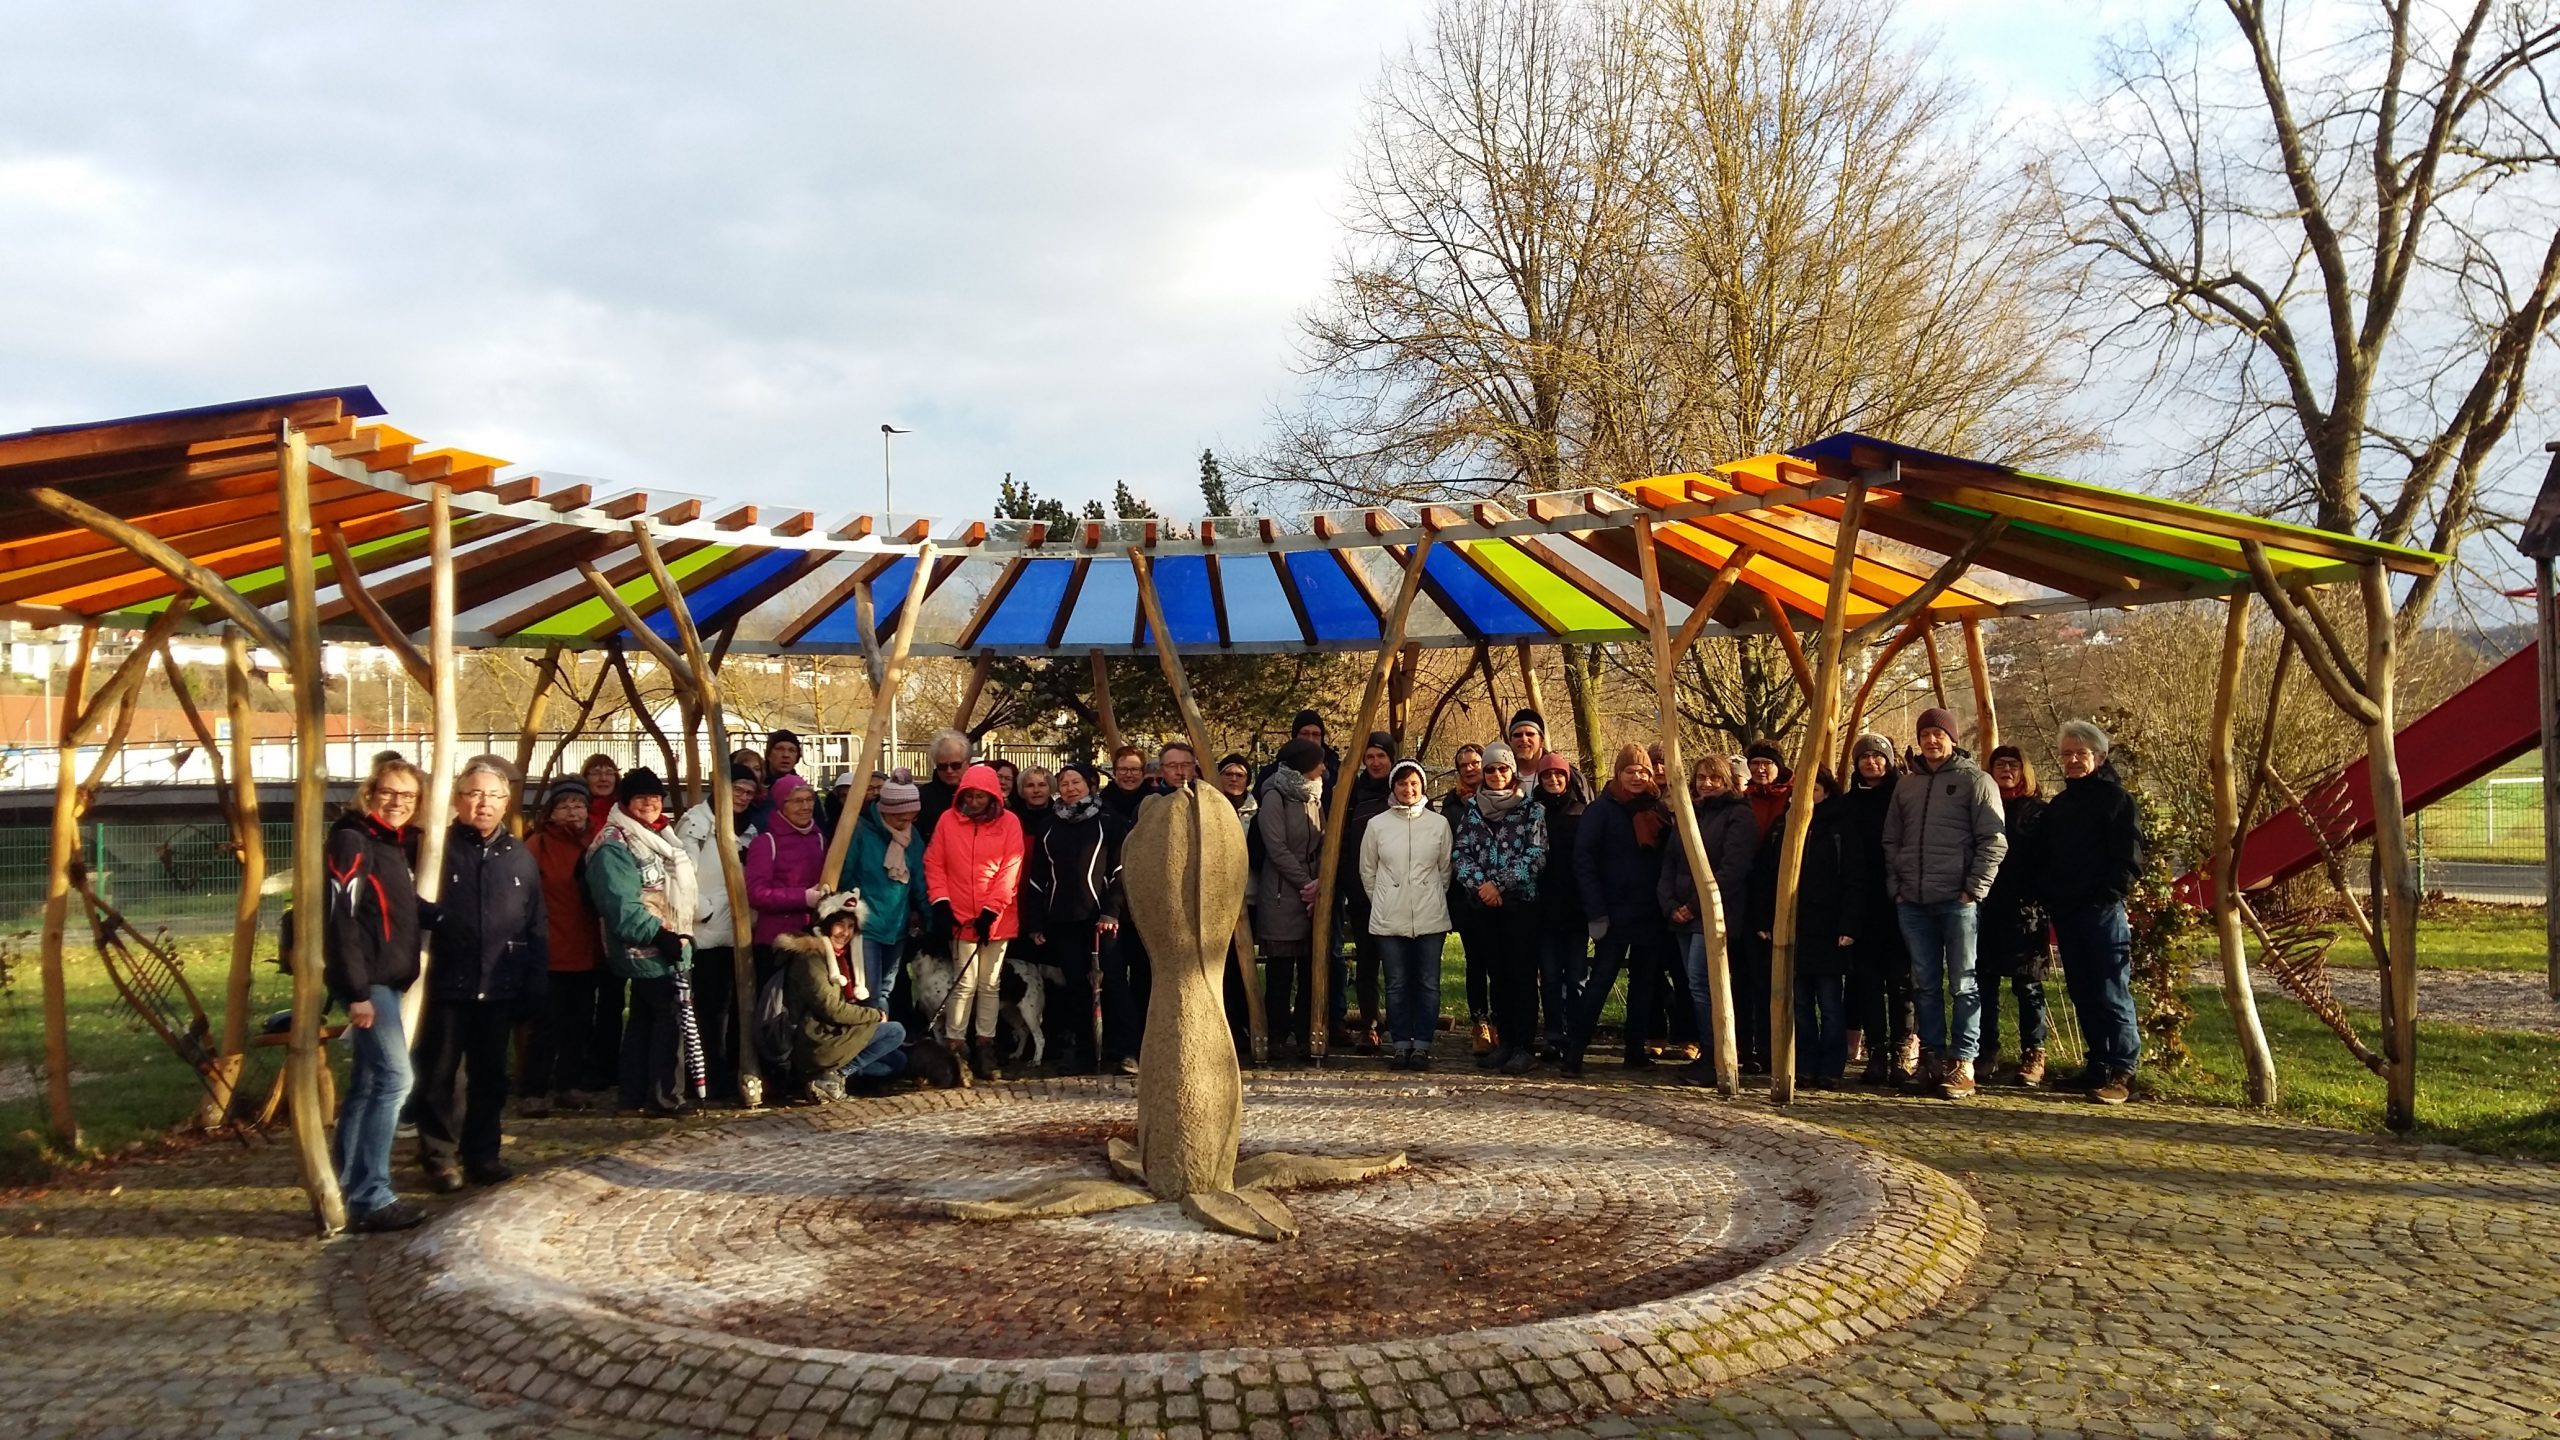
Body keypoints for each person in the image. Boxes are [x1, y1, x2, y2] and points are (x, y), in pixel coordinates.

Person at [414, 758, 548, 1191]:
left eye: (492, 796)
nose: (483, 804)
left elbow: (535, 922)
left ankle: (483, 1155)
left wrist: (534, 980)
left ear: (507, 803)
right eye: (474, 794)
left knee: (490, 1076)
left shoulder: (519, 856)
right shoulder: (437, 848)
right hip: (446, 982)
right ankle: (439, 1158)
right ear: (457, 800)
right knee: (441, 1075)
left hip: (501, 982)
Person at [323, 756, 428, 1232]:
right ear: (370, 793)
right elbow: (341, 920)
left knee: (367, 1086)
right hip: (369, 985)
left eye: (407, 796)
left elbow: (395, 909)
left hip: (386, 979)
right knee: (394, 1080)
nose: (398, 802)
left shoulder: (391, 845)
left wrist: (445, 916)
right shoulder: (353, 841)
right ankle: (372, 1195)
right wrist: (355, 991)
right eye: (389, 792)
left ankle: (346, 1182)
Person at [1882, 706, 2008, 1100]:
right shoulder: (1906, 785)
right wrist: (1896, 886)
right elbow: (1891, 840)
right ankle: (1931, 1059)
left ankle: (1963, 1062)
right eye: (1925, 735)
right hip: (1913, 902)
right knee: (1925, 984)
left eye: (1939, 734)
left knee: (1964, 984)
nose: (1931, 741)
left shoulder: (1976, 781)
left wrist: (1974, 889)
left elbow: (1994, 839)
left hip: (1957, 901)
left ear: (1952, 739)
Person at [2032, 721, 2144, 1104]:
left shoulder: (2117, 800)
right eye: (2067, 755)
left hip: (2103, 912)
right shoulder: (2060, 806)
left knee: (2112, 991)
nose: (2074, 761)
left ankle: (2123, 1070)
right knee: (2082, 991)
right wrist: (2051, 896)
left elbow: (2128, 860)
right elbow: (2045, 859)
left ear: (2099, 756)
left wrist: (2107, 895)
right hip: (2066, 911)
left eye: (2081, 754)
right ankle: (2096, 1064)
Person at [584, 767, 699, 1117]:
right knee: (670, 1018)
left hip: (668, 939)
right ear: (626, 801)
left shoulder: (661, 834)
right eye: (640, 797)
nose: (649, 802)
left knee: (645, 1020)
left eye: (654, 796)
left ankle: (633, 1093)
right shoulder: (614, 843)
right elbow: (619, 904)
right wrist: (660, 935)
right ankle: (665, 1096)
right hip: (644, 944)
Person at [1746, 770, 1864, 1088]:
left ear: (1826, 791)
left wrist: (1849, 924)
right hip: (1792, 927)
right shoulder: (1783, 825)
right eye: (1802, 788)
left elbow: (1854, 880)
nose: (1808, 793)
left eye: (1814, 788)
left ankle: (1831, 1065)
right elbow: (1765, 877)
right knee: (1798, 1003)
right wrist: (1764, 919)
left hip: (1828, 929)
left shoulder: (1841, 827)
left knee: (1829, 1002)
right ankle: (1804, 1062)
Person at [1563, 745, 1673, 1077]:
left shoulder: (1659, 809)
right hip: (1611, 913)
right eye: (1630, 771)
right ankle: (1575, 1051)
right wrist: (1596, 911)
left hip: (1650, 912)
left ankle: (1635, 1049)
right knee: (1600, 982)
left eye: (1642, 771)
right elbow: (1584, 862)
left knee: (1644, 985)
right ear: (1619, 774)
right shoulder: (1601, 810)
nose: (1637, 777)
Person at [923, 762, 1025, 1081]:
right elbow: (934, 863)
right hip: (959, 914)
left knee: (989, 984)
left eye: (982, 796)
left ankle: (985, 1044)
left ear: (992, 796)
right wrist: (940, 903)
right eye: (971, 795)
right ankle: (956, 1045)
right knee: (964, 982)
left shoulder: (1009, 822)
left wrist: (992, 911)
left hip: (996, 916)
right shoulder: (947, 821)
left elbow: (1011, 868)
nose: (976, 801)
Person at [1451, 741, 1548, 1075]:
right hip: (1485, 906)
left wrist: (1501, 884)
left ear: (1512, 772)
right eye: (1489, 769)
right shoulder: (1473, 810)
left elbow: (1535, 855)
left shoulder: (1531, 810)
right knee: (1497, 975)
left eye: (1502, 769)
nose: (1495, 774)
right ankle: (1504, 1040)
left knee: (1521, 976)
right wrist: (1481, 885)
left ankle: (1524, 1044)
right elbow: (1460, 854)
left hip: (1519, 905)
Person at [1022, 761, 1124, 1075]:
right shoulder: (1050, 825)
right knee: (1076, 986)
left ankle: (1125, 1048)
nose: (1069, 788)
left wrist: (1111, 909)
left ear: (1090, 785)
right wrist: (1036, 921)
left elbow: (1119, 871)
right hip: (1063, 917)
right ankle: (1082, 1050)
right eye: (1064, 783)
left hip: (1100, 918)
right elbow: (1038, 876)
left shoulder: (1110, 821)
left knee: (1115, 983)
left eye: (1075, 782)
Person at [1659, 755, 1755, 1085]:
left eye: (1714, 778)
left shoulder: (1739, 815)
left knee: (1704, 983)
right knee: (1693, 984)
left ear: (1727, 780)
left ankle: (1719, 1052)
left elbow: (1732, 870)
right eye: (1701, 777)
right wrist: (1670, 903)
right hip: (1681, 914)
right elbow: (1670, 862)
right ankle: (1707, 1049)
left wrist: (1695, 906)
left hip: (1714, 913)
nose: (1707, 783)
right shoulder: (1690, 813)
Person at [524, 778, 612, 1111]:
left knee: (579, 1023)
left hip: (587, 948)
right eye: (564, 805)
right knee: (546, 1024)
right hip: (549, 947)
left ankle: (569, 1085)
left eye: (578, 804)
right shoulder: (539, 844)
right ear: (551, 811)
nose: (572, 810)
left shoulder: (596, 841)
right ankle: (533, 1090)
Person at [1360, 758, 1451, 1070]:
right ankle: (1400, 1044)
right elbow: (1368, 871)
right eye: (1402, 783)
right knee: (1396, 983)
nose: (1408, 789)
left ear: (1422, 786)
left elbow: (1445, 870)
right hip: (1389, 917)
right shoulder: (1377, 825)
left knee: (1428, 982)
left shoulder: (1438, 824)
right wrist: (1386, 898)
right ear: (1393, 787)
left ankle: (1423, 1043)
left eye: (1414, 783)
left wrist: (1427, 893)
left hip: (1430, 916)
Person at [677, 763, 760, 1103]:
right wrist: (703, 910)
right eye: (736, 790)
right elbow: (684, 873)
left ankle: (727, 1071)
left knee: (732, 1008)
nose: (742, 798)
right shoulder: (696, 823)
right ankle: (704, 1074)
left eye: (748, 793)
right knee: (708, 1010)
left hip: (738, 931)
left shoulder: (750, 829)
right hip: (707, 931)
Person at [777, 893, 909, 1100]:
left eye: (850, 927)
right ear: (827, 925)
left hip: (835, 1032)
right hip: (817, 1037)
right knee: (895, 1031)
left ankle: (830, 1075)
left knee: (896, 1060)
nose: (845, 933)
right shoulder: (812, 958)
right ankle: (835, 1076)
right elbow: (830, 1009)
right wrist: (874, 1015)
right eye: (840, 925)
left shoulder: (842, 957)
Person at [1843, 733, 1917, 1085]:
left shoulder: (1904, 794)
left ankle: (1904, 1047)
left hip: (1899, 896)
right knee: (1867, 980)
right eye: (1865, 757)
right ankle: (1877, 1050)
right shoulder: (1850, 802)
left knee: (1901, 980)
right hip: (1861, 900)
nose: (1872, 763)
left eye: (1878, 756)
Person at [1978, 745, 2054, 1086]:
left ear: (2024, 770)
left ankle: (2034, 1053)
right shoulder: (1980, 806)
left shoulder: (2039, 811)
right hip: (1986, 906)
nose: (2006, 770)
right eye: (1999, 764)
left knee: (2028, 986)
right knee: (1984, 984)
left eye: (2013, 764)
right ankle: (1986, 1051)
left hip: (2027, 910)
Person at [1254, 737, 1327, 1064]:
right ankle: (1278, 1036)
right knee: (1281, 973)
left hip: (1313, 889)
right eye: (1318, 762)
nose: (1324, 768)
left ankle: (1306, 1033)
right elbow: (1276, 847)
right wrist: (1306, 883)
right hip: (1283, 893)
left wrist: (1321, 880)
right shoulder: (1275, 794)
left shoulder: (1315, 793)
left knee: (1311, 970)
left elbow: (1325, 838)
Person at [1333, 733, 1396, 1052]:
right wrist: (1352, 882)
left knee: (1398, 965)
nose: (1375, 763)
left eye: (1381, 756)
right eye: (1369, 757)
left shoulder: (1401, 789)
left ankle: (1403, 1027)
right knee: (1368, 965)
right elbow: (1342, 843)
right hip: (1362, 896)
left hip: (1399, 895)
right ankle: (1370, 1026)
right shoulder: (1353, 794)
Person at [841, 774, 927, 1008]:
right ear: (885, 810)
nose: (906, 822)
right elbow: (844, 877)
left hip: (896, 925)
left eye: (911, 817)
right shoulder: (859, 832)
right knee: (869, 992)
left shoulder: (912, 836)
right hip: (865, 925)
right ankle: (874, 1042)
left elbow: (919, 879)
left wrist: (930, 917)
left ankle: (884, 1040)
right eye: (900, 817)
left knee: (886, 991)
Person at [1435, 742, 1493, 1054]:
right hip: (1466, 893)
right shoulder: (1452, 805)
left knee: (1500, 960)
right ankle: (1479, 1021)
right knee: (1475, 961)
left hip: (1501, 892)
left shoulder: (1500, 795)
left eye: (1475, 763)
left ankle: (1501, 1019)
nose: (1470, 768)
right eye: (1464, 765)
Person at [744, 773, 828, 979]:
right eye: (798, 801)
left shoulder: (820, 839)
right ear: (782, 804)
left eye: (809, 800)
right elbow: (756, 894)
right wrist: (803, 897)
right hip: (777, 940)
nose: (806, 807)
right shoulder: (766, 842)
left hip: (815, 935)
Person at [1531, 752, 1587, 1060]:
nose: (1554, 780)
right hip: (1544, 907)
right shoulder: (1534, 813)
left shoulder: (1582, 813)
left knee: (1576, 976)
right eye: (1547, 776)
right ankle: (1553, 1034)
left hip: (1576, 907)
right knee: (1550, 977)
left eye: (1559, 775)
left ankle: (1575, 1032)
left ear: (1567, 778)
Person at [1507, 708, 1592, 804]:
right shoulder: (1499, 774)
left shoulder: (1569, 776)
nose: (1524, 739)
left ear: (1541, 740)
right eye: (1517, 735)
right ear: (1510, 741)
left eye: (1530, 734)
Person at [917, 728, 972, 837]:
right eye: (942, 766)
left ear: (967, 763)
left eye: (955, 765)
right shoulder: (922, 797)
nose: (949, 771)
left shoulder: (980, 794)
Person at [1743, 741, 1793, 836]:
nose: (1760, 769)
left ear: (1779, 767)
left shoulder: (1793, 795)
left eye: (1767, 763)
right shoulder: (1742, 798)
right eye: (1755, 763)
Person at [1099, 745, 1153, 828]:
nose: (1128, 775)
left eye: (1134, 769)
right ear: (1114, 772)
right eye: (1123, 769)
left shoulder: (1154, 801)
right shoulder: (1101, 804)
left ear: (1143, 772)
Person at [579, 753, 621, 839]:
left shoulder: (625, 809)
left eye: (609, 773)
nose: (603, 778)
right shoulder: (575, 812)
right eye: (596, 773)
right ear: (585, 777)